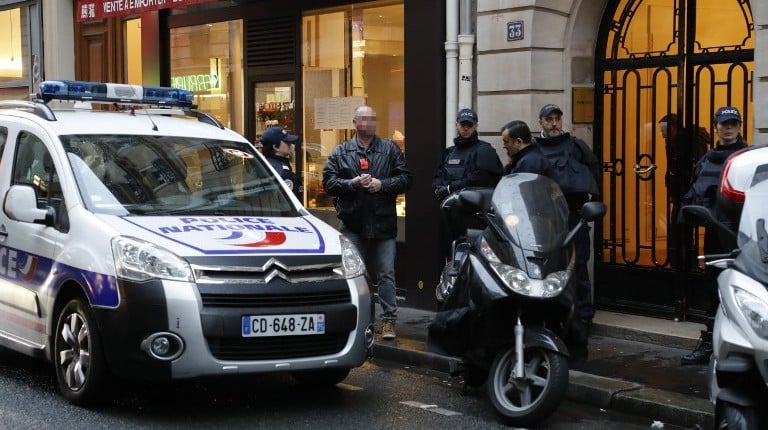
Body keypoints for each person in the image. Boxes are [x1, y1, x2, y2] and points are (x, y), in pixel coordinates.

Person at [322, 105, 413, 340]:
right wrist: (351, 183)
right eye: (364, 119)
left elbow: (405, 179)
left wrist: (382, 185)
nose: (370, 123)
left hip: (383, 222)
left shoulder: (389, 149)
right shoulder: (342, 151)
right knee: (354, 274)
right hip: (353, 222)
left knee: (386, 274)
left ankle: (389, 321)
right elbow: (328, 182)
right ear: (354, 122)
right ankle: (361, 319)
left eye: (373, 118)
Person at [679, 106, 748, 365]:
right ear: (716, 127)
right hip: (714, 232)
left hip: (741, 233)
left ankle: (739, 345)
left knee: (740, 288)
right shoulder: (707, 159)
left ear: (740, 126)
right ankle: (710, 343)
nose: (728, 128)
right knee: (713, 286)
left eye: (733, 123)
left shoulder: (747, 157)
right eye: (723, 124)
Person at [535, 104, 601, 345]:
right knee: (548, 266)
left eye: (557, 119)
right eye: (549, 119)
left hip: (574, 215)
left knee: (579, 264)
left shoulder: (576, 146)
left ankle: (584, 316)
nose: (554, 123)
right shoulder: (535, 149)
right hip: (545, 217)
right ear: (540, 122)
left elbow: (595, 171)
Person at [432, 108, 503, 256]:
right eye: (462, 124)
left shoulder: (484, 150)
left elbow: (481, 179)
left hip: (475, 219)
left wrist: (451, 188)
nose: (465, 128)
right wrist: (438, 188)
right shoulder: (449, 152)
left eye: (469, 125)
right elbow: (439, 176)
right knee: (450, 257)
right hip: (451, 216)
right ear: (456, 125)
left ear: (476, 126)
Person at [658, 114, 710, 270]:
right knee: (683, 233)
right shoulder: (678, 142)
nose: (662, 134)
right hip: (682, 194)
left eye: (664, 129)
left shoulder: (684, 143)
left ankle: (683, 268)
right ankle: (686, 266)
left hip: (686, 195)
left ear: (673, 127)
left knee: (680, 232)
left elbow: (687, 170)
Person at [260, 126, 302, 201]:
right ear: (276, 147)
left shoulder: (260, 165)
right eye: (286, 142)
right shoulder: (283, 172)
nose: (290, 144)